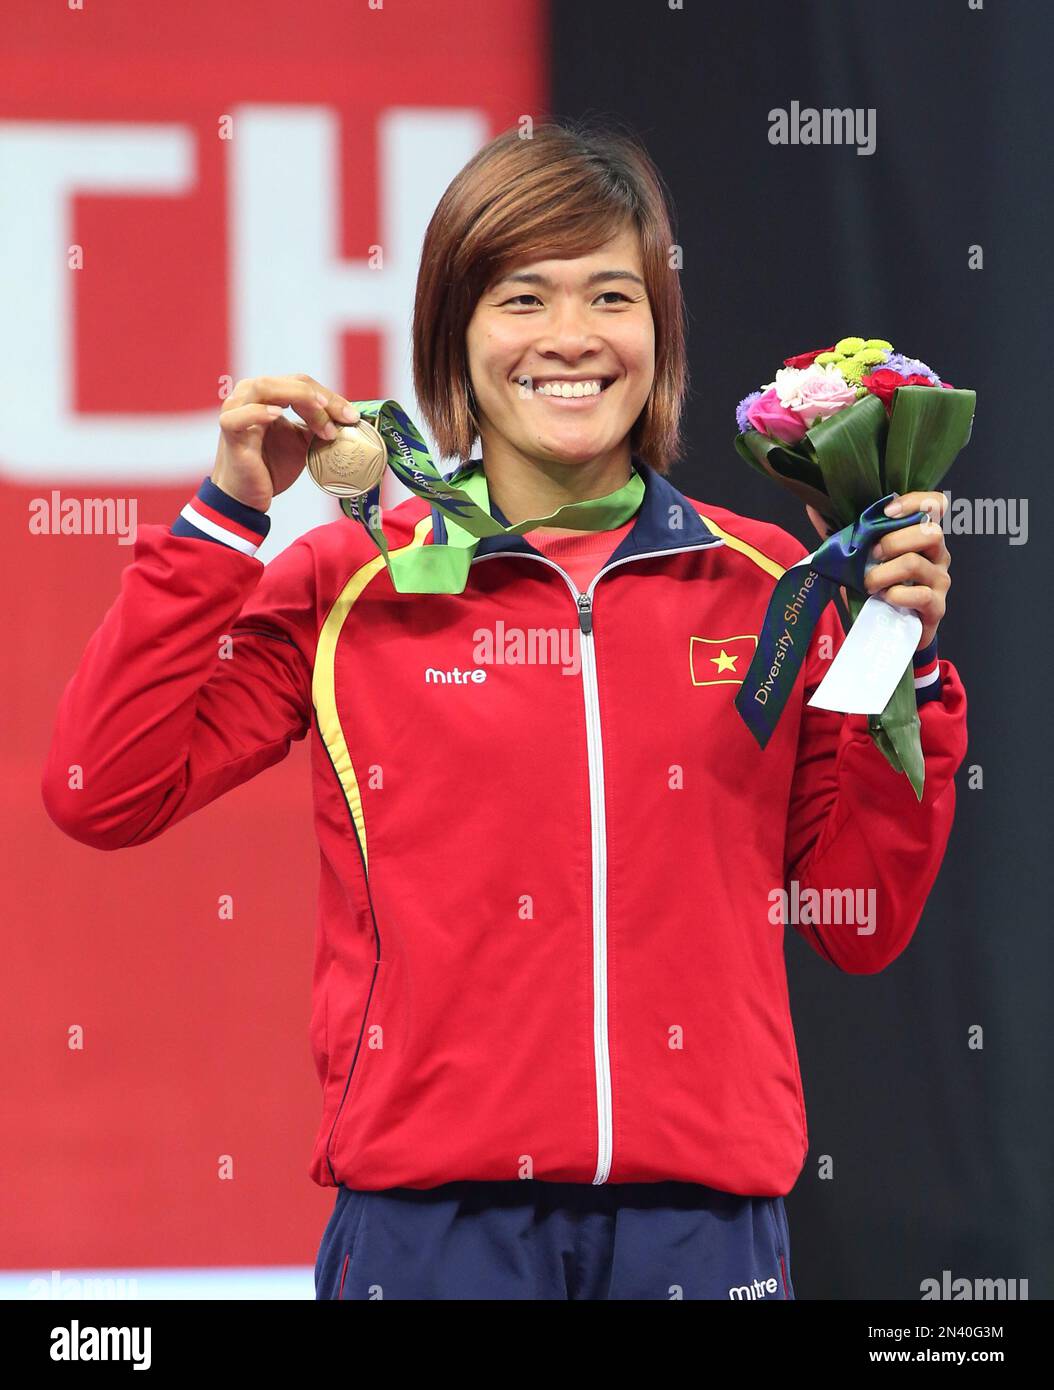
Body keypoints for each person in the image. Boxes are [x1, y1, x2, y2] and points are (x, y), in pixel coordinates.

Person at [41, 122, 966, 1301]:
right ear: (456, 337)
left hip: (702, 1231)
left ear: (659, 333)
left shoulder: (769, 578)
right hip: (435, 1232)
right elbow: (100, 788)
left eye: (610, 296)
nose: (570, 338)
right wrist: (224, 519)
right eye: (521, 297)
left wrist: (908, 668)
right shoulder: (355, 577)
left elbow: (864, 919)